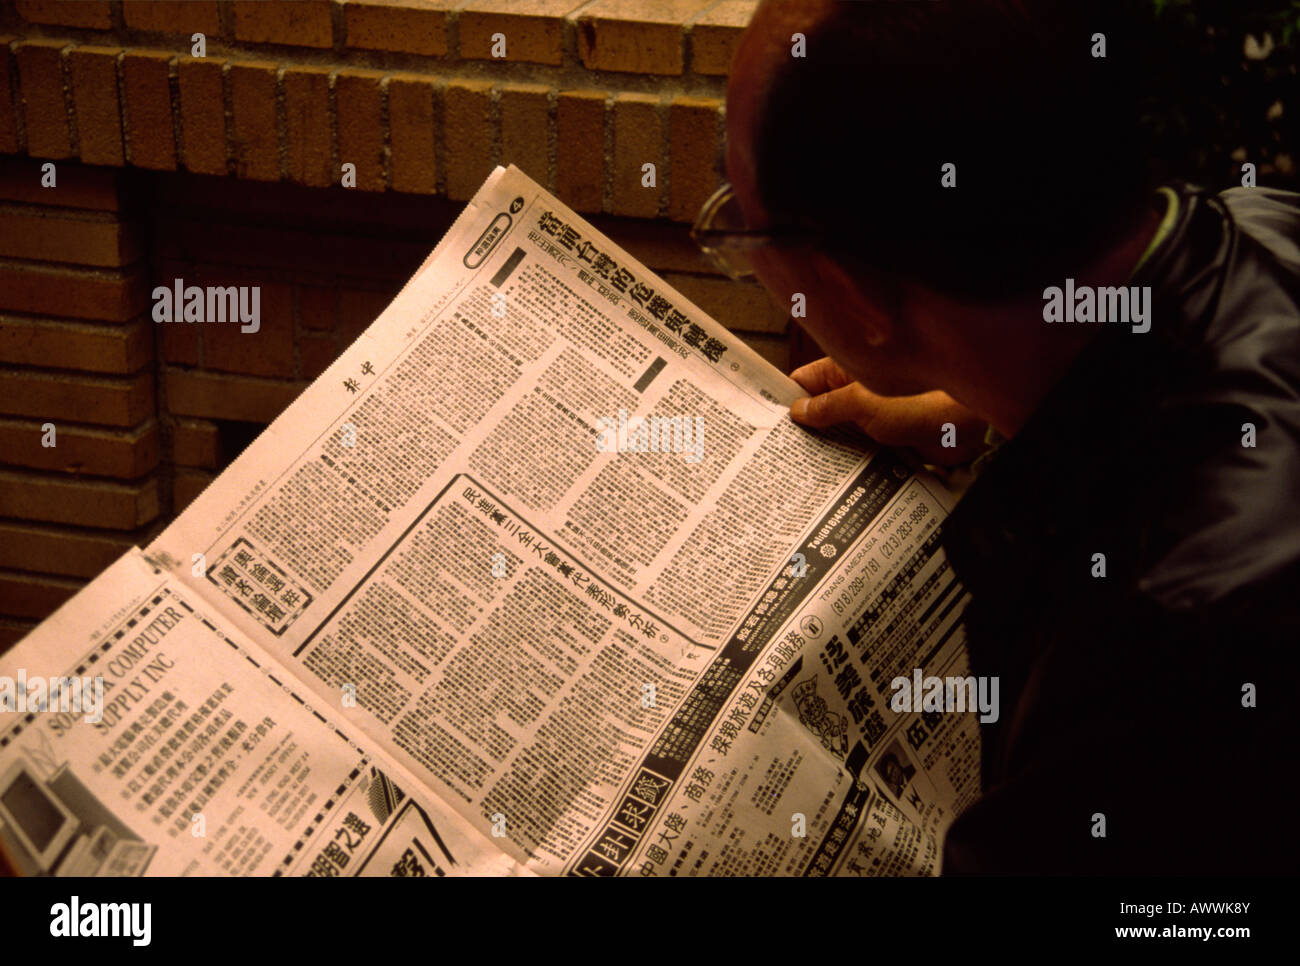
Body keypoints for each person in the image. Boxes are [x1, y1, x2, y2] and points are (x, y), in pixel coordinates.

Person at [708, 0, 1300, 873]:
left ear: (856, 297)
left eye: (741, 226)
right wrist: (995, 410)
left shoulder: (1153, 667)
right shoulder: (1263, 221)